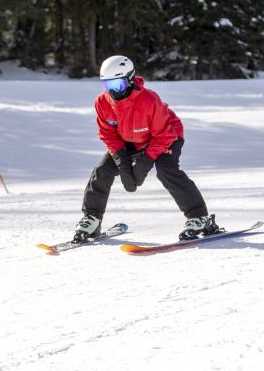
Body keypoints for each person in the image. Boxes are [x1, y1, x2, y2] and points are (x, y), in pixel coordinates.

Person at [73, 55, 221, 243]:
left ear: (129, 79)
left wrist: (144, 164)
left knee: (166, 170)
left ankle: (199, 217)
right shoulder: (102, 102)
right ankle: (92, 219)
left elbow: (164, 135)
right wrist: (123, 164)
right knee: (102, 170)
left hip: (167, 136)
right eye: (107, 85)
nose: (112, 91)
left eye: (117, 84)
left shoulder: (149, 100)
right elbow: (108, 134)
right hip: (131, 141)